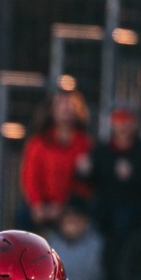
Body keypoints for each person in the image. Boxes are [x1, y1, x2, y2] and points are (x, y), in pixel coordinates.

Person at [86, 107, 141, 280]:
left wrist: (133, 177)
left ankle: (121, 279)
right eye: (119, 122)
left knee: (123, 227)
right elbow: (91, 179)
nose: (123, 127)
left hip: (134, 210)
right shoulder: (101, 150)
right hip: (104, 209)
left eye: (127, 122)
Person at [18, 93, 92, 231]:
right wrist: (37, 205)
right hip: (41, 206)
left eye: (70, 104)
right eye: (60, 104)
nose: (65, 108)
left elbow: (85, 184)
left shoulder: (85, 144)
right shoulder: (38, 143)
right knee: (22, 218)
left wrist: (62, 206)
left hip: (71, 206)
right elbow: (30, 177)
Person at [45, 199, 104, 280]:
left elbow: (96, 277)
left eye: (75, 218)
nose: (71, 223)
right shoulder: (51, 243)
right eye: (68, 218)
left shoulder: (97, 244)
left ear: (85, 221)